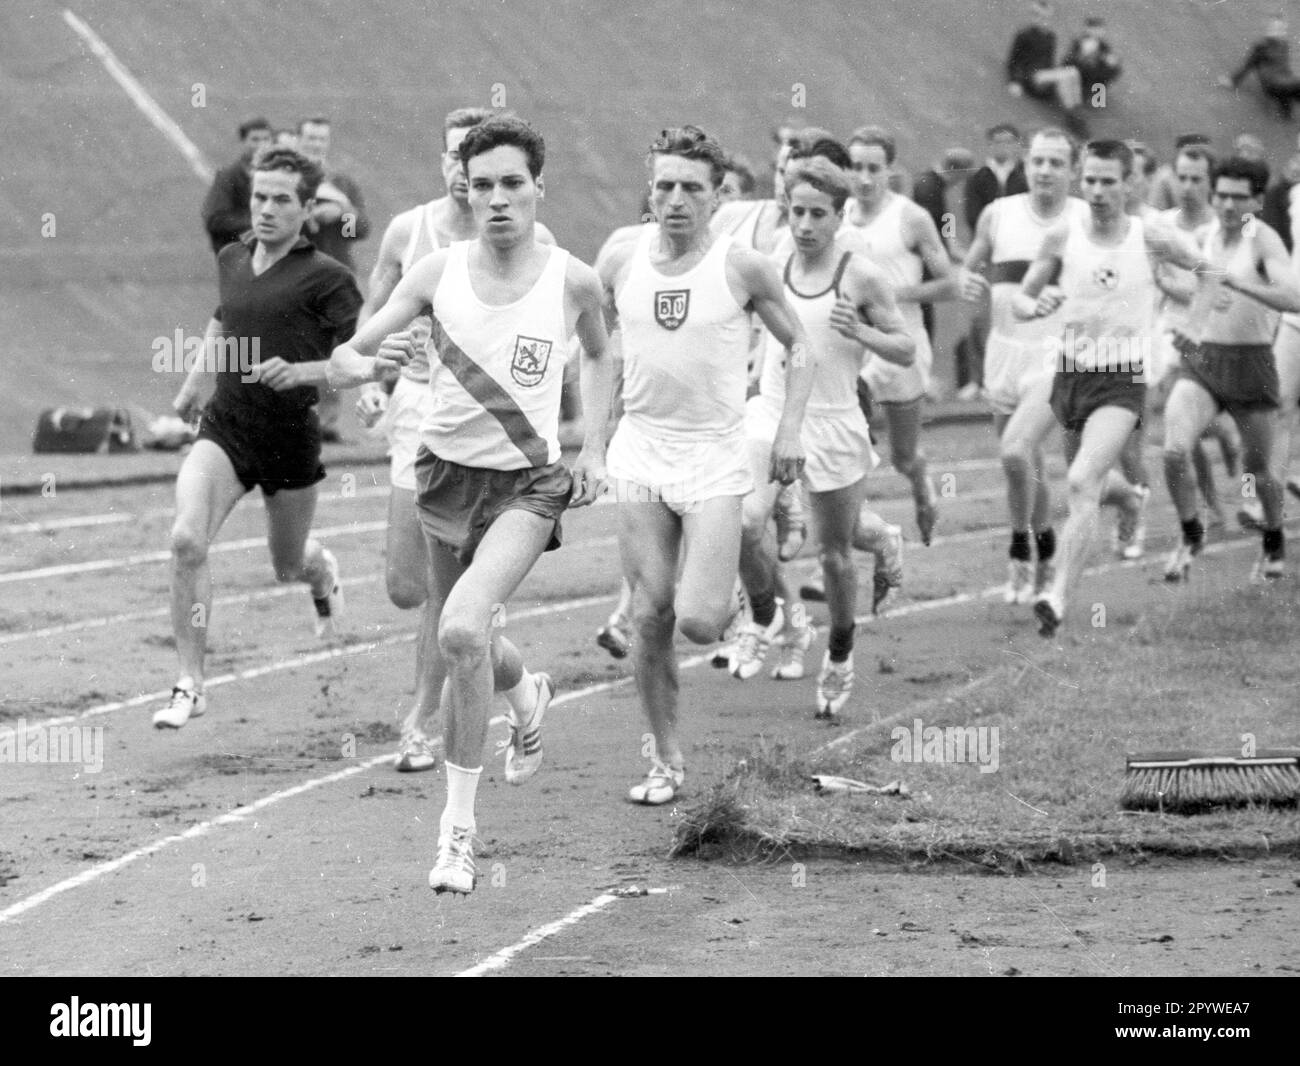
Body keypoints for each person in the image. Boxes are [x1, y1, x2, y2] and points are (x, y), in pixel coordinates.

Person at [328, 116, 613, 895]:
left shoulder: (572, 278)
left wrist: (593, 449)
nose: (495, 198)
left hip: (529, 486)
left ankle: (457, 833)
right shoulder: (434, 273)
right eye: (482, 183)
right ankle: (529, 695)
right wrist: (365, 363)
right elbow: (345, 356)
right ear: (465, 185)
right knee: (479, 647)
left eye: (511, 183)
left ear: (537, 190)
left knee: (458, 629)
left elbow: (600, 349)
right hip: (445, 479)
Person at [597, 125, 815, 806]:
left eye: (692, 187)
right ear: (649, 188)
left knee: (698, 620)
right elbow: (599, 348)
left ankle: (766, 599)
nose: (676, 199)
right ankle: (665, 758)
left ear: (718, 195)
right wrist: (588, 441)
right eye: (664, 185)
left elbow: (800, 347)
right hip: (640, 453)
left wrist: (788, 429)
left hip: (715, 456)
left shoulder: (741, 265)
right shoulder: (620, 256)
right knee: (650, 613)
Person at [353, 107, 556, 773]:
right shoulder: (410, 233)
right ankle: (519, 685)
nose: (461, 171)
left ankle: (422, 715)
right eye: (452, 158)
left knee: (453, 610)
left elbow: (556, 338)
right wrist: (370, 379)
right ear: (450, 167)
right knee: (406, 587)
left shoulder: (530, 239)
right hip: (420, 416)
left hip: (496, 443)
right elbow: (372, 313)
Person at [155, 148, 363, 729]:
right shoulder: (232, 256)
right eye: (258, 198)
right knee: (186, 541)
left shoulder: (329, 279)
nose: (266, 210)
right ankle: (190, 683)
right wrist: (197, 380)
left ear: (306, 210)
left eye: (280, 200)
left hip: (291, 439)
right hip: (227, 428)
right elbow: (225, 317)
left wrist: (306, 374)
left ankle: (321, 573)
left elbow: (362, 359)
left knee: (288, 565)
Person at [734, 157, 913, 714]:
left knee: (836, 552)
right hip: (771, 409)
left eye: (818, 214)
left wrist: (860, 330)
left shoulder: (860, 276)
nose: (805, 225)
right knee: (742, 519)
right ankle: (768, 614)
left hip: (833, 419)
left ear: (841, 216)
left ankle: (839, 652)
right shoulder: (769, 262)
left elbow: (904, 347)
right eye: (796, 213)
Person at [1014, 140, 1198, 636]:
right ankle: (1134, 499)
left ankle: (1055, 595)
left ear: (1128, 183)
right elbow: (1021, 301)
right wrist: (1038, 303)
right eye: (1090, 180)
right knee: (1087, 477)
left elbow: (1203, 270)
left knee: (1079, 483)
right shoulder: (1061, 235)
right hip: (1071, 374)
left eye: (1108, 181)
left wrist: (1180, 293)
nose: (1096, 190)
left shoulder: (1151, 235)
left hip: (1124, 379)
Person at [962, 127, 1088, 605]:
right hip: (1004, 351)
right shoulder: (998, 215)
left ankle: (1022, 548)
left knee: (1018, 451)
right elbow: (971, 265)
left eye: (1056, 163)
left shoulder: (1083, 220)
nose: (1045, 171)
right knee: (1022, 461)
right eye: (1038, 162)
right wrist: (967, 281)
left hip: (1055, 355)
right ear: (1026, 165)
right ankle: (1043, 543)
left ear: (1073, 171)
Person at [1162, 156, 1300, 584]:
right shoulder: (1203, 236)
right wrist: (1176, 290)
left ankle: (1274, 537)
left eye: (1237, 198)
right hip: (1205, 362)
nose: (1225, 204)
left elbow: (1293, 297)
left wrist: (1236, 284)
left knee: (1258, 473)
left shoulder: (1262, 239)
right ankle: (1190, 532)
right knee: (1173, 449)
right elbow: (1195, 287)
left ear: (1257, 201)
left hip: (1252, 364)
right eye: (1220, 194)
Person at [843, 126, 958, 544]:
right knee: (846, 434)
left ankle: (921, 482)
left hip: (901, 347)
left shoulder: (910, 217)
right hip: (855, 345)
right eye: (856, 167)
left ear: (890, 168)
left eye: (874, 168)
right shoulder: (838, 215)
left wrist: (893, 293)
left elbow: (950, 284)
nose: (865, 178)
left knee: (903, 457)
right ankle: (852, 530)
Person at [1153, 145, 1243, 531]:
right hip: (1174, 333)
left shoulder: (1220, 228)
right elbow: (1159, 278)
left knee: (1218, 427)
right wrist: (1187, 292)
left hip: (1216, 335)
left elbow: (1224, 290)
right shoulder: (1162, 225)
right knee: (1182, 434)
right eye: (1182, 177)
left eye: (1196, 179)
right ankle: (1210, 506)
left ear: (1211, 182)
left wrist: (1189, 290)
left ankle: (1233, 446)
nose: (1187, 186)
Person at [297, 116, 372, 443]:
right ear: (299, 141)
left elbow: (361, 229)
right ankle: (300, 418)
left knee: (334, 349)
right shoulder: (289, 179)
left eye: (320, 139)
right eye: (310, 139)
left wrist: (341, 215)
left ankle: (325, 424)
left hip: (337, 277)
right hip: (298, 277)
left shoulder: (341, 184)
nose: (315, 145)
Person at [1005, 1, 1087, 135]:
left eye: (1044, 17)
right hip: (1031, 78)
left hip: (1045, 78)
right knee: (1066, 74)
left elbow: (1050, 61)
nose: (1041, 20)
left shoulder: (1051, 37)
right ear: (1032, 16)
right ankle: (1074, 118)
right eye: (1037, 15)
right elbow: (1013, 61)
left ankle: (1075, 113)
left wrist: (1055, 76)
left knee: (1073, 72)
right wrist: (1014, 82)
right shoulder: (1024, 35)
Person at [200, 117, 273, 255]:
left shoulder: (280, 174)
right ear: (244, 141)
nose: (261, 144)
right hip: (241, 254)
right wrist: (257, 224)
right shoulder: (228, 176)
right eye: (255, 140)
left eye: (266, 139)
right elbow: (215, 219)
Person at [1219, 15, 1300, 119]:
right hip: (1271, 84)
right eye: (1276, 28)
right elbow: (1248, 65)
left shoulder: (1284, 44)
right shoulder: (1262, 46)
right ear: (1269, 29)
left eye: (1282, 29)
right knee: (1293, 85)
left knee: (1294, 86)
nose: (1280, 32)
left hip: (1284, 81)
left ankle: (1286, 112)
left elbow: (1284, 66)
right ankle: (1286, 111)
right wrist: (1232, 81)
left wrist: (1290, 78)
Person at [1064, 16, 1122, 105]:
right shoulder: (1079, 43)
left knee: (1111, 69)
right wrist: (1083, 57)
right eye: (1094, 29)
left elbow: (1111, 65)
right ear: (1087, 29)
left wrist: (1110, 62)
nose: (1097, 32)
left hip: (1095, 76)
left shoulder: (1104, 46)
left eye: (1099, 29)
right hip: (1080, 75)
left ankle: (1096, 97)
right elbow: (1068, 62)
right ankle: (1082, 95)